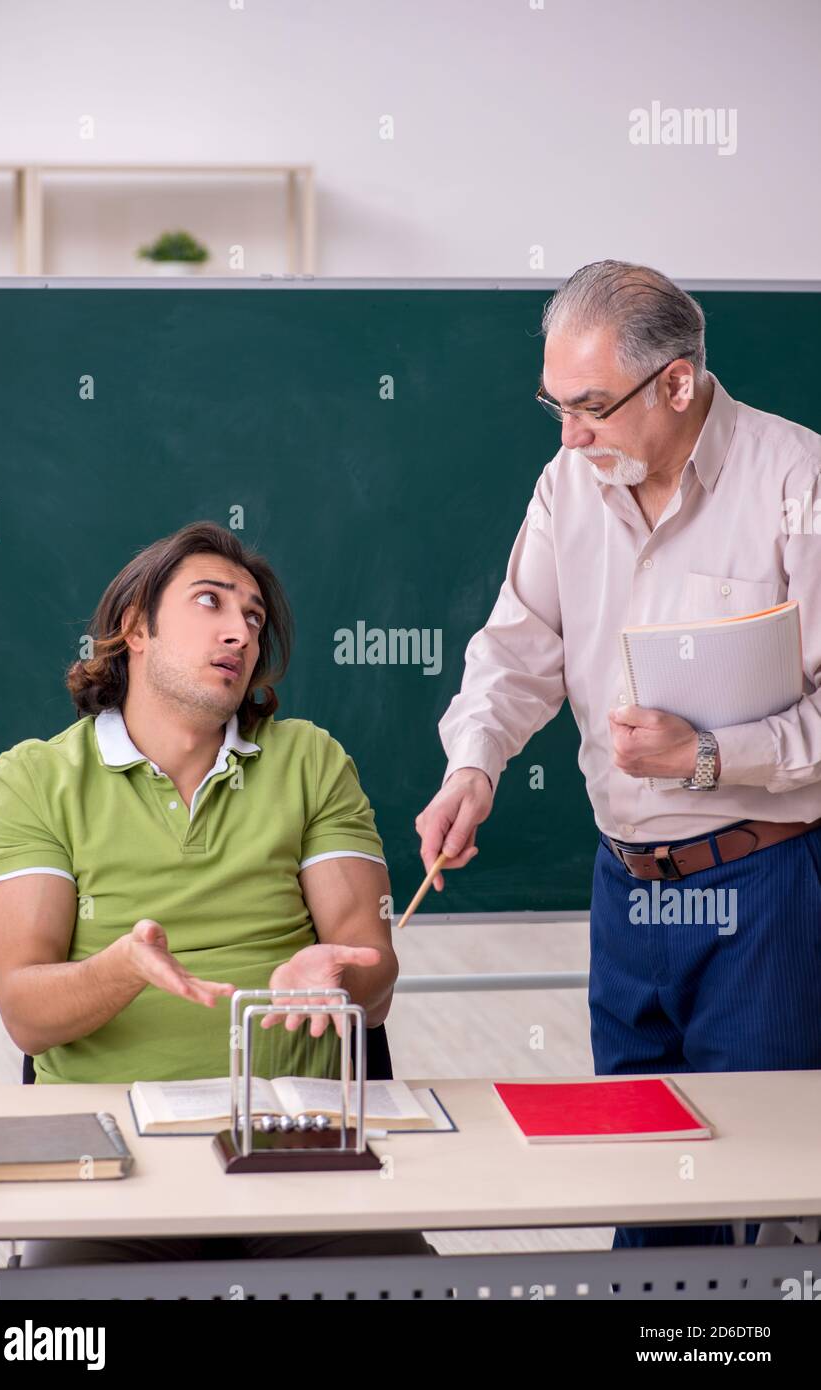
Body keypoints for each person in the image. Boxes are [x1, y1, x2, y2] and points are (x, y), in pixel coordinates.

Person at [415, 259, 821, 1249]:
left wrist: (712, 753)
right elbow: (515, 653)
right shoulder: (568, 484)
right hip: (628, 886)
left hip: (764, 882)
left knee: (762, 1194)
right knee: (643, 1184)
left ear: (677, 383)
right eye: (555, 406)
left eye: (591, 406)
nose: (570, 435)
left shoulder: (795, 479)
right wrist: (475, 763)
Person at [0, 519, 431, 1264]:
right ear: (134, 629)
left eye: (252, 617)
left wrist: (341, 974)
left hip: (297, 1147)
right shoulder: (31, 782)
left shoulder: (311, 760)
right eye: (209, 602)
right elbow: (27, 1014)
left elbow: (372, 979)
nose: (240, 633)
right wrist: (120, 968)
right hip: (111, 1159)